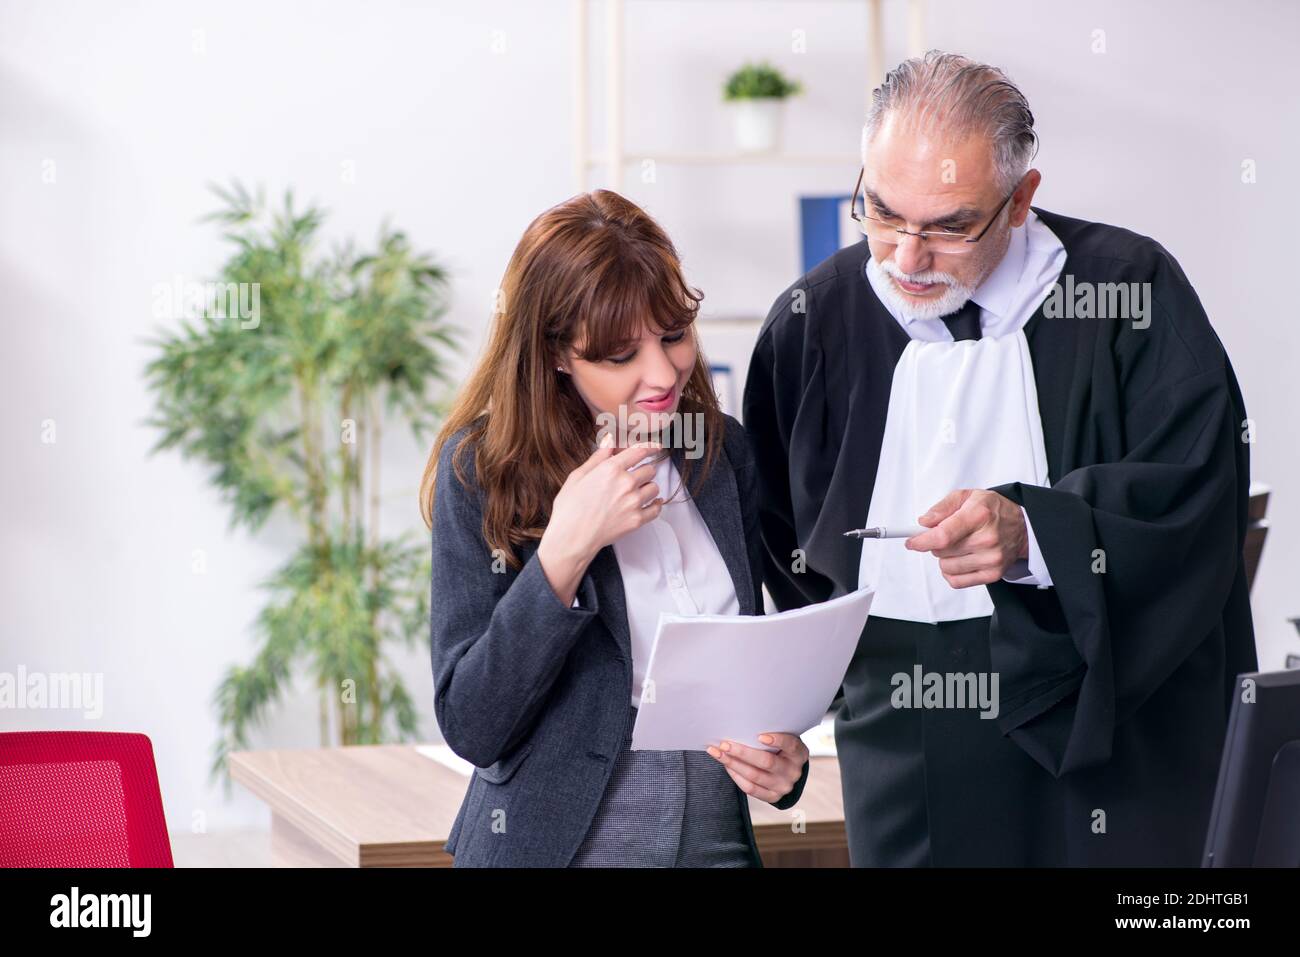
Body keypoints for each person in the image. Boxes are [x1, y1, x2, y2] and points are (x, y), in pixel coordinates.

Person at [743, 50, 1257, 866]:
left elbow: (1197, 497)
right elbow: (779, 531)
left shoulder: (1129, 291)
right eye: (881, 213)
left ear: (1021, 200)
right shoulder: (814, 320)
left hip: (1109, 731)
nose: (906, 259)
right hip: (901, 743)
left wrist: (1035, 534)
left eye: (949, 226)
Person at [421, 189, 810, 867]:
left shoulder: (722, 453)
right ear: (555, 354)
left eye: (673, 335)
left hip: (715, 844)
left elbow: (749, 668)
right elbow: (473, 724)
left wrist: (784, 762)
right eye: (620, 355)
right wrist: (565, 551)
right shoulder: (484, 471)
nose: (662, 373)